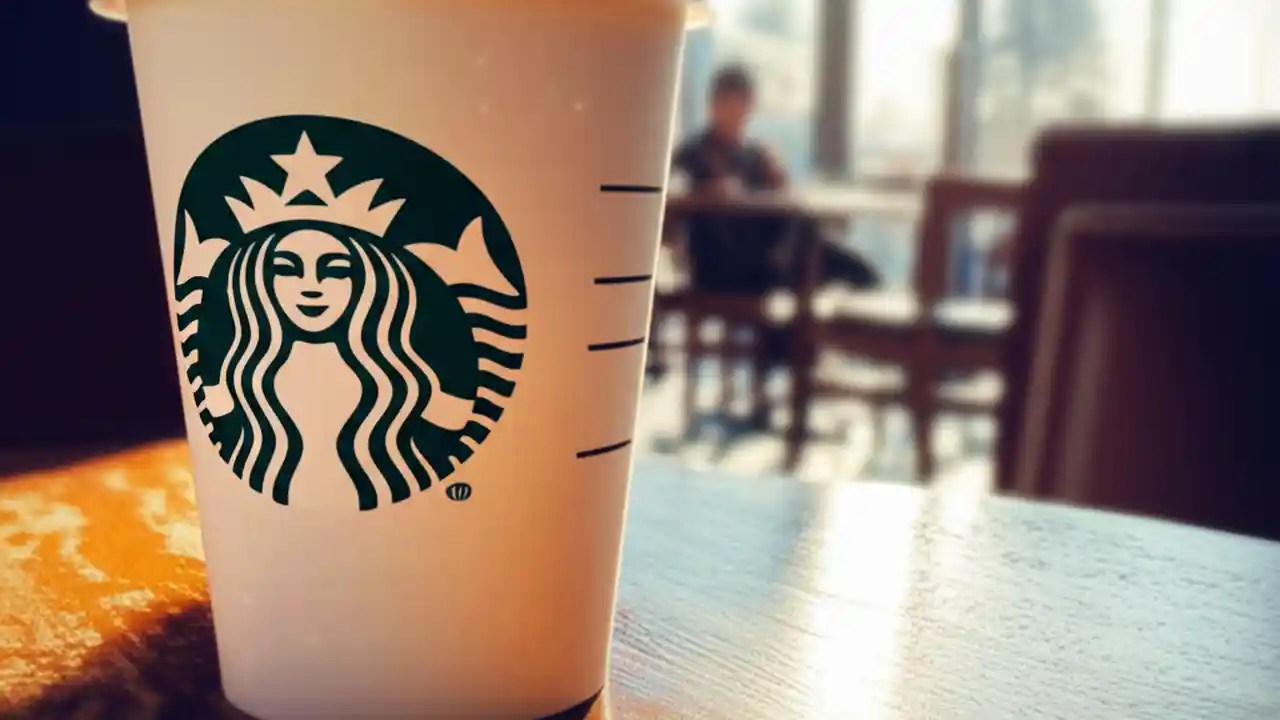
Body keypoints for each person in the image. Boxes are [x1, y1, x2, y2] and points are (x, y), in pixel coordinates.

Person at [672, 64, 879, 294]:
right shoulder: (694, 152)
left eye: (740, 105)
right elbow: (675, 194)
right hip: (721, 264)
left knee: (850, 266)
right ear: (713, 106)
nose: (733, 112)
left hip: (766, 258)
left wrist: (779, 181)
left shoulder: (756, 155)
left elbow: (784, 196)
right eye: (727, 104)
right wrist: (709, 191)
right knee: (804, 257)